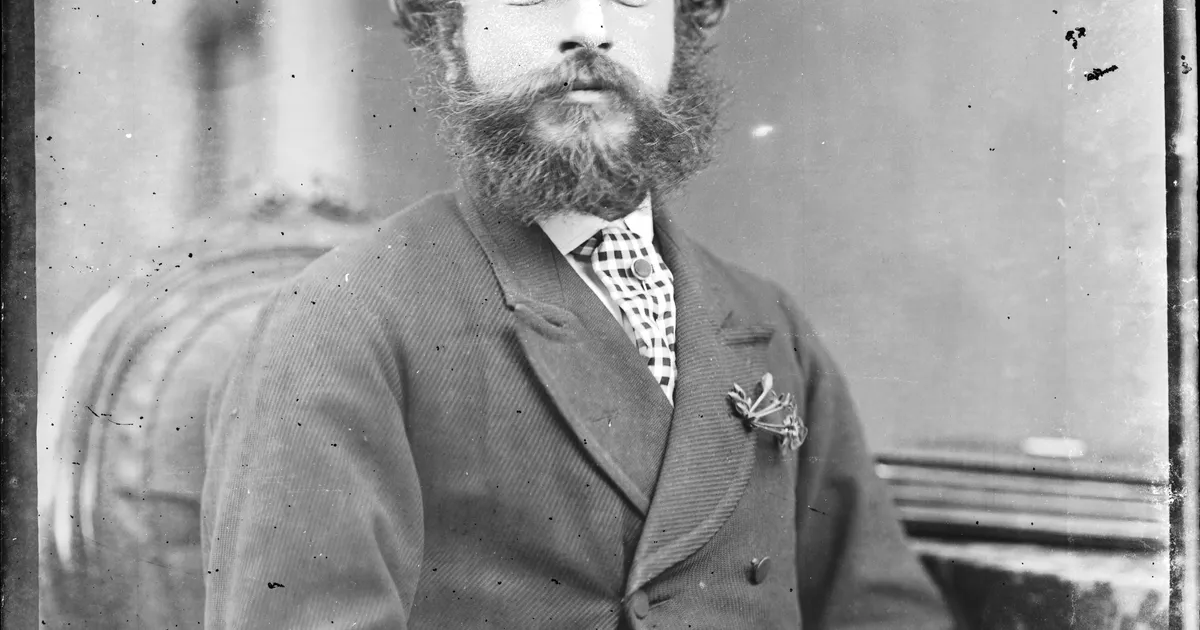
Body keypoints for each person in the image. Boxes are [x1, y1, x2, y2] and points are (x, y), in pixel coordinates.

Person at [201, 0, 954, 628]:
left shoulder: (768, 324)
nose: (590, 28)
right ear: (450, 32)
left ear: (683, 27)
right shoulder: (340, 324)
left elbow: (881, 613)